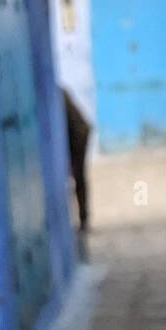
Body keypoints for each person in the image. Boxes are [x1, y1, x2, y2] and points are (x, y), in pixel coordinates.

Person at [62, 87, 90, 233]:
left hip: (78, 135)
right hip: (75, 134)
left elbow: (70, 128)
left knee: (78, 177)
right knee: (76, 178)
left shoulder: (56, 95)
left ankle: (84, 220)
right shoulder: (58, 93)